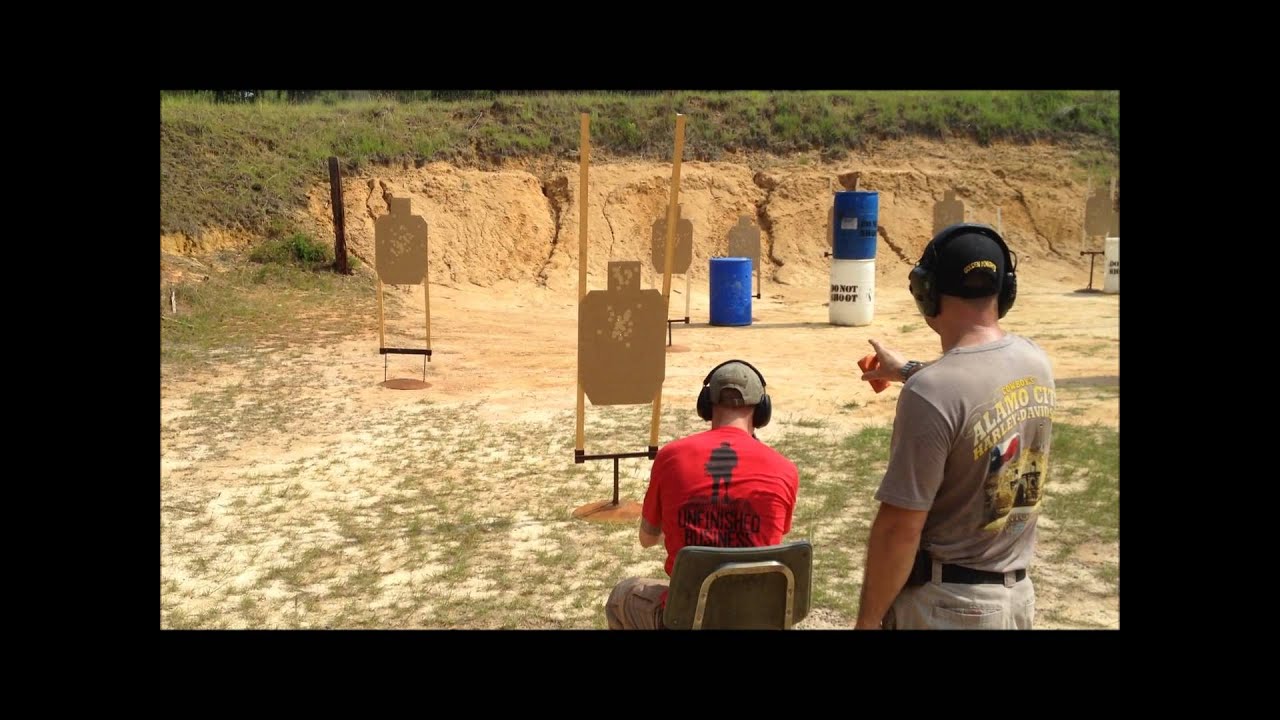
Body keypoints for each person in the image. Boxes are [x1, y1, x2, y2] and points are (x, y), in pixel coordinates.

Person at [854, 223, 1055, 630]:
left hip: (949, 606)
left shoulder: (932, 392)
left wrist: (868, 622)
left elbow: (900, 528)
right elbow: (976, 386)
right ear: (1006, 291)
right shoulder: (1036, 361)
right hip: (1015, 599)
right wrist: (908, 370)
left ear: (925, 291)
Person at [604, 360, 800, 630]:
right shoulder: (785, 469)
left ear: (706, 405)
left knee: (621, 595)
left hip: (686, 618)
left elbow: (647, 539)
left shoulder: (671, 457)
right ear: (762, 409)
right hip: (755, 619)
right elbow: (773, 538)